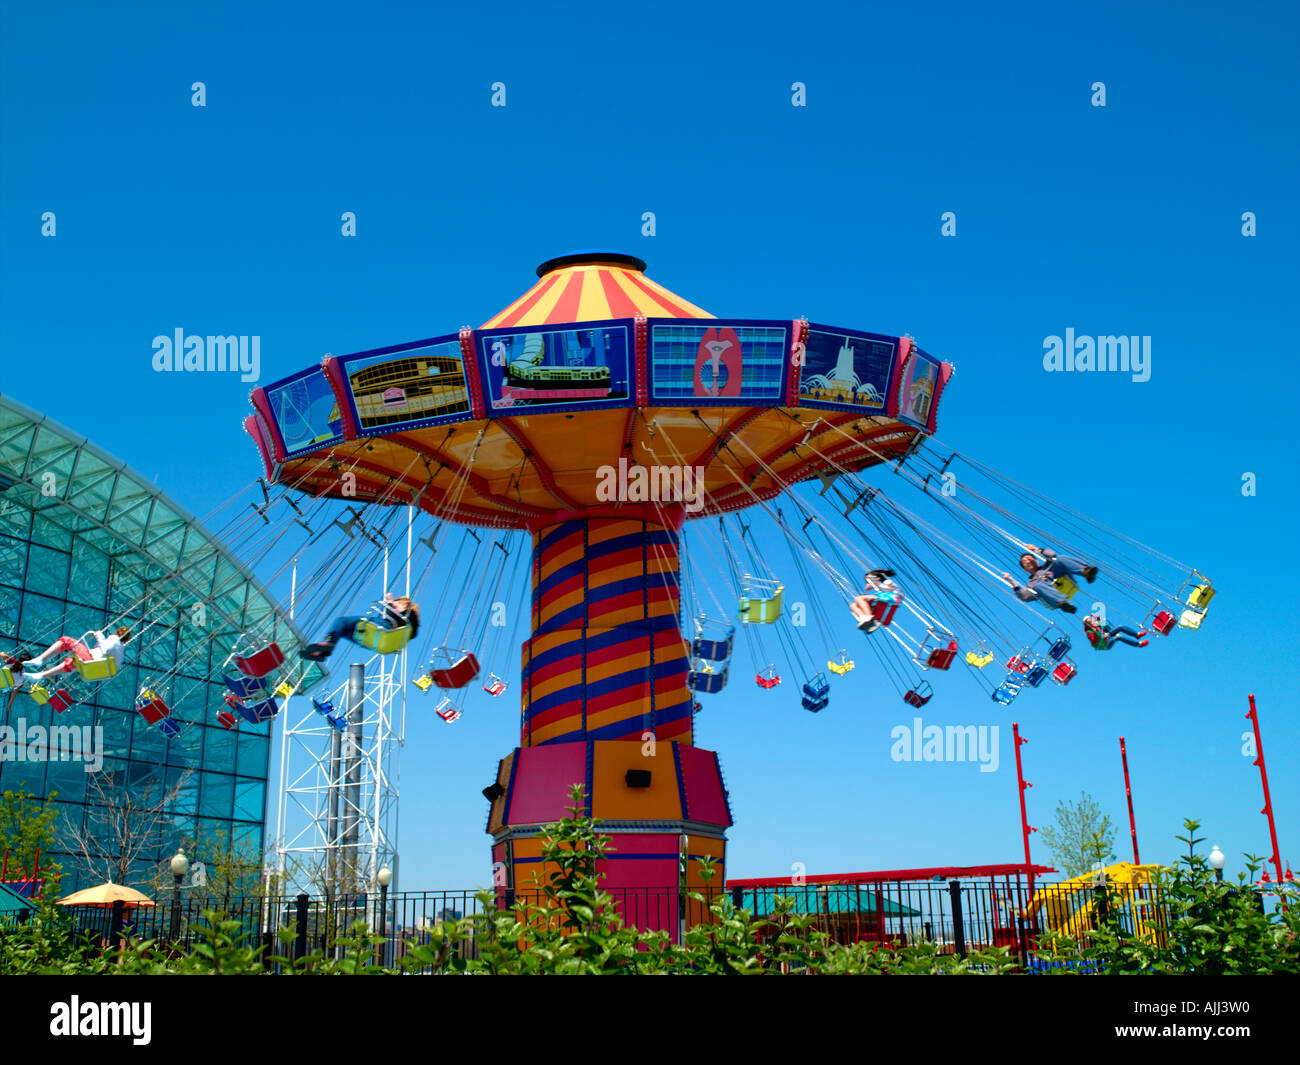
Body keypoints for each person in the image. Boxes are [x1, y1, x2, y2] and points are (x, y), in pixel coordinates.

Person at [301, 593, 420, 661]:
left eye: (398, 604)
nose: (395, 606)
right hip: (374, 640)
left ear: (405, 605)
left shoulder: (408, 616)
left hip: (382, 628)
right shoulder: (401, 620)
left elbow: (410, 627)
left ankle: (328, 643)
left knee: (341, 621)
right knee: (342, 630)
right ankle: (323, 652)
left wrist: (391, 602)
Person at [1001, 543, 1098, 613]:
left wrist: (1036, 549)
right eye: (1024, 562)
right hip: (1048, 591)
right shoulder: (1032, 583)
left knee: (1060, 559)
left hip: (1058, 575)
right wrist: (1011, 581)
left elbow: (1052, 554)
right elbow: (1024, 596)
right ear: (1025, 569)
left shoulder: (1048, 565)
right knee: (1037, 585)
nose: (1027, 561)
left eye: (1028, 558)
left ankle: (1085, 571)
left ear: (1036, 560)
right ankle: (1063, 603)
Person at [23, 627, 132, 681]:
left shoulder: (114, 639)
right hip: (93, 670)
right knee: (70, 663)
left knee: (66, 640)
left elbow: (105, 648)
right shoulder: (121, 654)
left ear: (117, 632)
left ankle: (41, 659)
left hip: (91, 660)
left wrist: (99, 636)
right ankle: (42, 675)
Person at [1083, 614, 1148, 650]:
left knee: (1120, 627)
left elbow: (1100, 622)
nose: (1091, 622)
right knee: (1119, 637)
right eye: (1089, 622)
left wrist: (1096, 617)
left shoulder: (1096, 624)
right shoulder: (1089, 632)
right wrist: (1095, 633)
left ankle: (1137, 634)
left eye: (1091, 620)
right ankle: (1139, 644)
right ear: (1087, 624)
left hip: (1108, 635)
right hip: (1105, 643)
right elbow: (1095, 641)